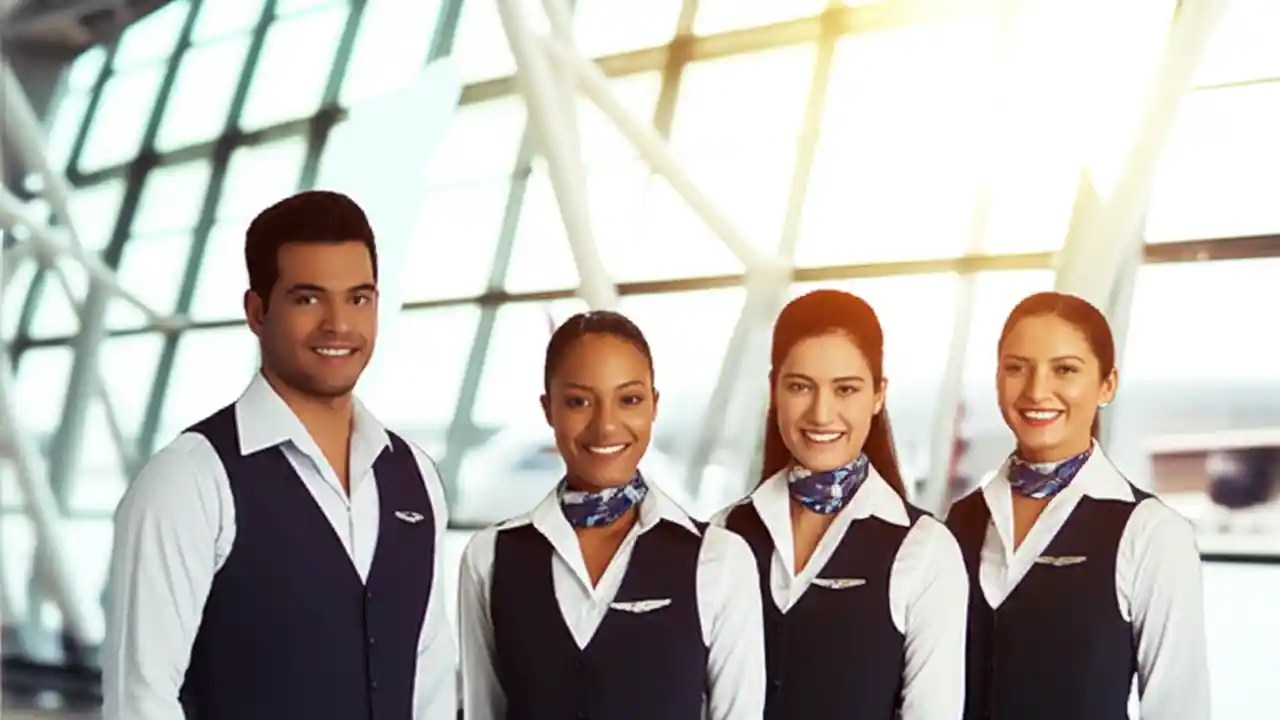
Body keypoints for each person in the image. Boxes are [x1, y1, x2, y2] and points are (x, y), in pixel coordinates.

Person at [102, 191, 456, 719]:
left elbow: (429, 686)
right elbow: (141, 702)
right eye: (308, 298)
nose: (339, 324)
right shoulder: (190, 480)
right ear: (257, 310)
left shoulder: (415, 478)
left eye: (358, 298)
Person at [457, 310, 765, 720]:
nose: (605, 426)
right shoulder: (490, 558)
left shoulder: (719, 560)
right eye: (579, 401)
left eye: (629, 400)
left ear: (654, 405)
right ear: (549, 409)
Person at [945, 291, 1210, 720]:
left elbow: (1178, 708)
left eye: (1064, 370)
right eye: (1016, 368)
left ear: (1107, 385)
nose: (1036, 390)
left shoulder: (1151, 533)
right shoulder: (961, 522)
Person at [714, 289, 967, 719]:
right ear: (774, 390)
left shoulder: (924, 551)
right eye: (800, 387)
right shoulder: (724, 534)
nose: (821, 413)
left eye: (846, 389)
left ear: (877, 395)